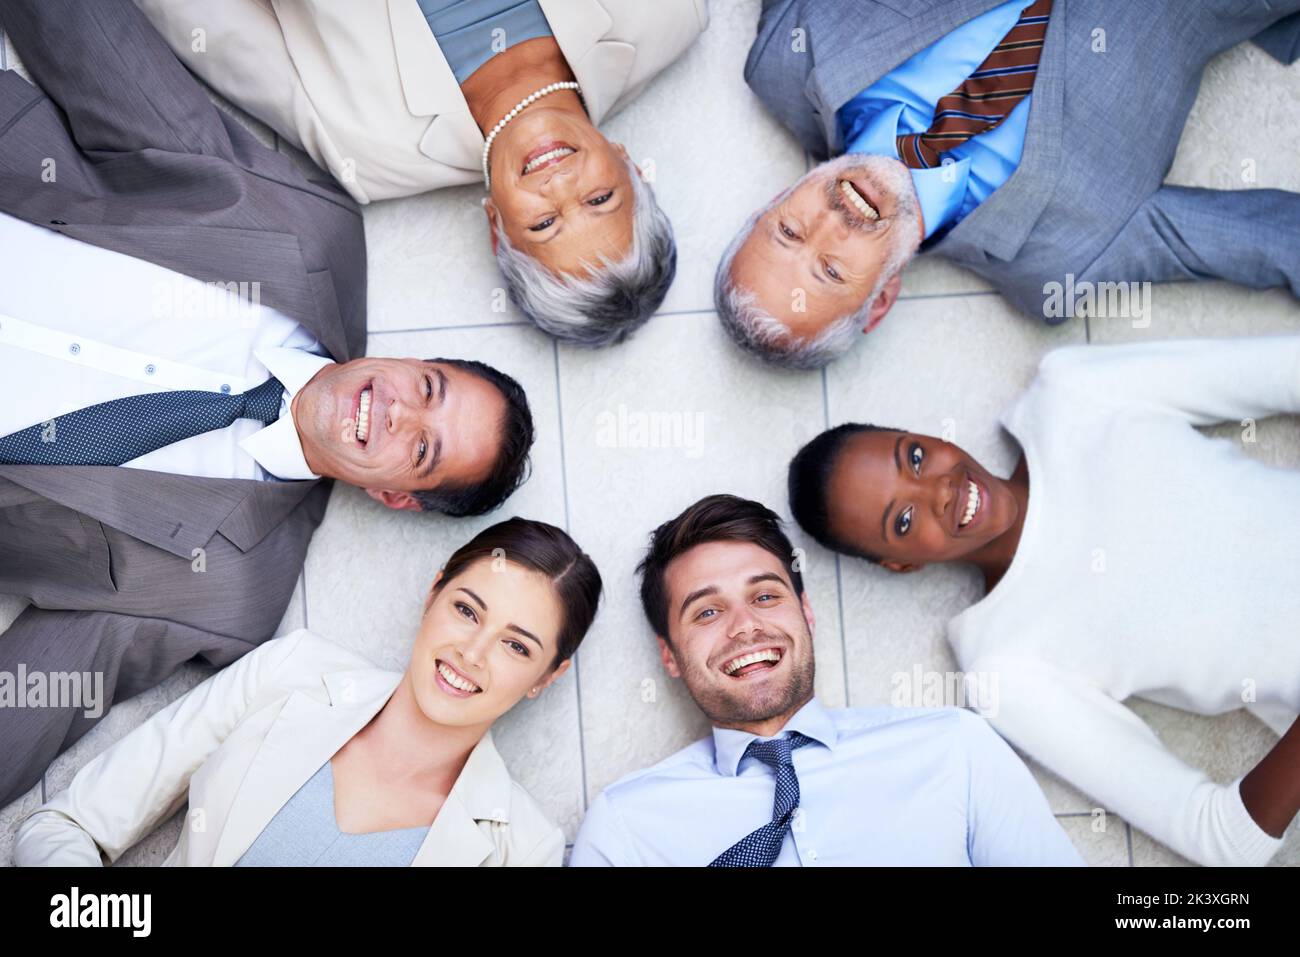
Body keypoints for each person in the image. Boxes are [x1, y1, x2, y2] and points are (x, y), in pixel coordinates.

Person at [0, 0, 534, 808]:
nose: (395, 411)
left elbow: (42, 687)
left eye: (420, 447)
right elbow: (118, 78)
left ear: (395, 495)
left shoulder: (231, 592)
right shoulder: (307, 234)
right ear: (412, 361)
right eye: (428, 388)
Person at [786, 335, 1300, 866]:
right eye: (904, 520)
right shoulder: (1006, 669)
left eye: (915, 456)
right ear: (902, 563)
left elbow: (1289, 368)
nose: (939, 490)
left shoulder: (1076, 394)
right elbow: (1223, 839)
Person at [715, 0, 1300, 368]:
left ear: (774, 202)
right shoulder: (1061, 261)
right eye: (832, 270)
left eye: (789, 231)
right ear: (882, 299)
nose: (829, 224)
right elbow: (1264, 239)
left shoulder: (786, 56)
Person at [13, 518, 601, 867]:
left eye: (516, 646)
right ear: (433, 595)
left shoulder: (522, 848)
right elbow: (62, 828)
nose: (472, 653)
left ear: (548, 677)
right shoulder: (292, 671)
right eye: (467, 610)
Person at [133, 0, 709, 345]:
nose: (559, 185)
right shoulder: (669, 14)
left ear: (497, 228)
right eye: (600, 199)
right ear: (631, 167)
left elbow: (206, 20)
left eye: (544, 226)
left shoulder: (363, 151)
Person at [569, 493, 1081, 866]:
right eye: (706, 612)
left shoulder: (956, 748)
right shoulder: (625, 828)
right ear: (671, 655)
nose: (745, 626)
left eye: (766, 596)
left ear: (806, 612)